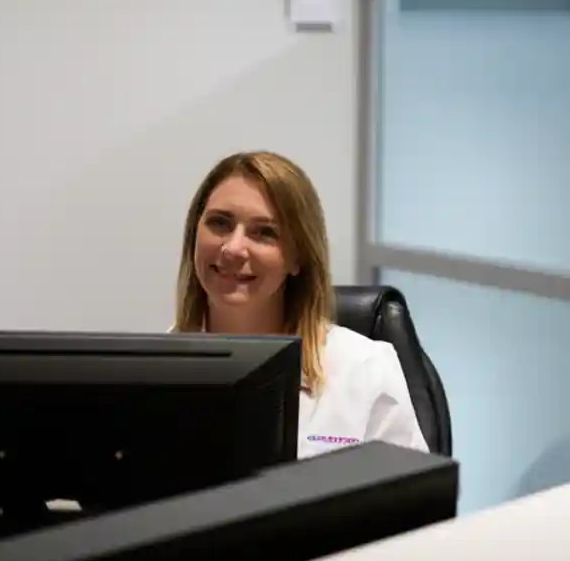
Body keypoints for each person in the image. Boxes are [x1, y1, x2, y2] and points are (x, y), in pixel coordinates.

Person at [173, 150, 429, 459]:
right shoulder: (155, 371)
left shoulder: (365, 371)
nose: (233, 248)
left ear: (298, 257)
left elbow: (413, 502)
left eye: (264, 232)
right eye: (220, 223)